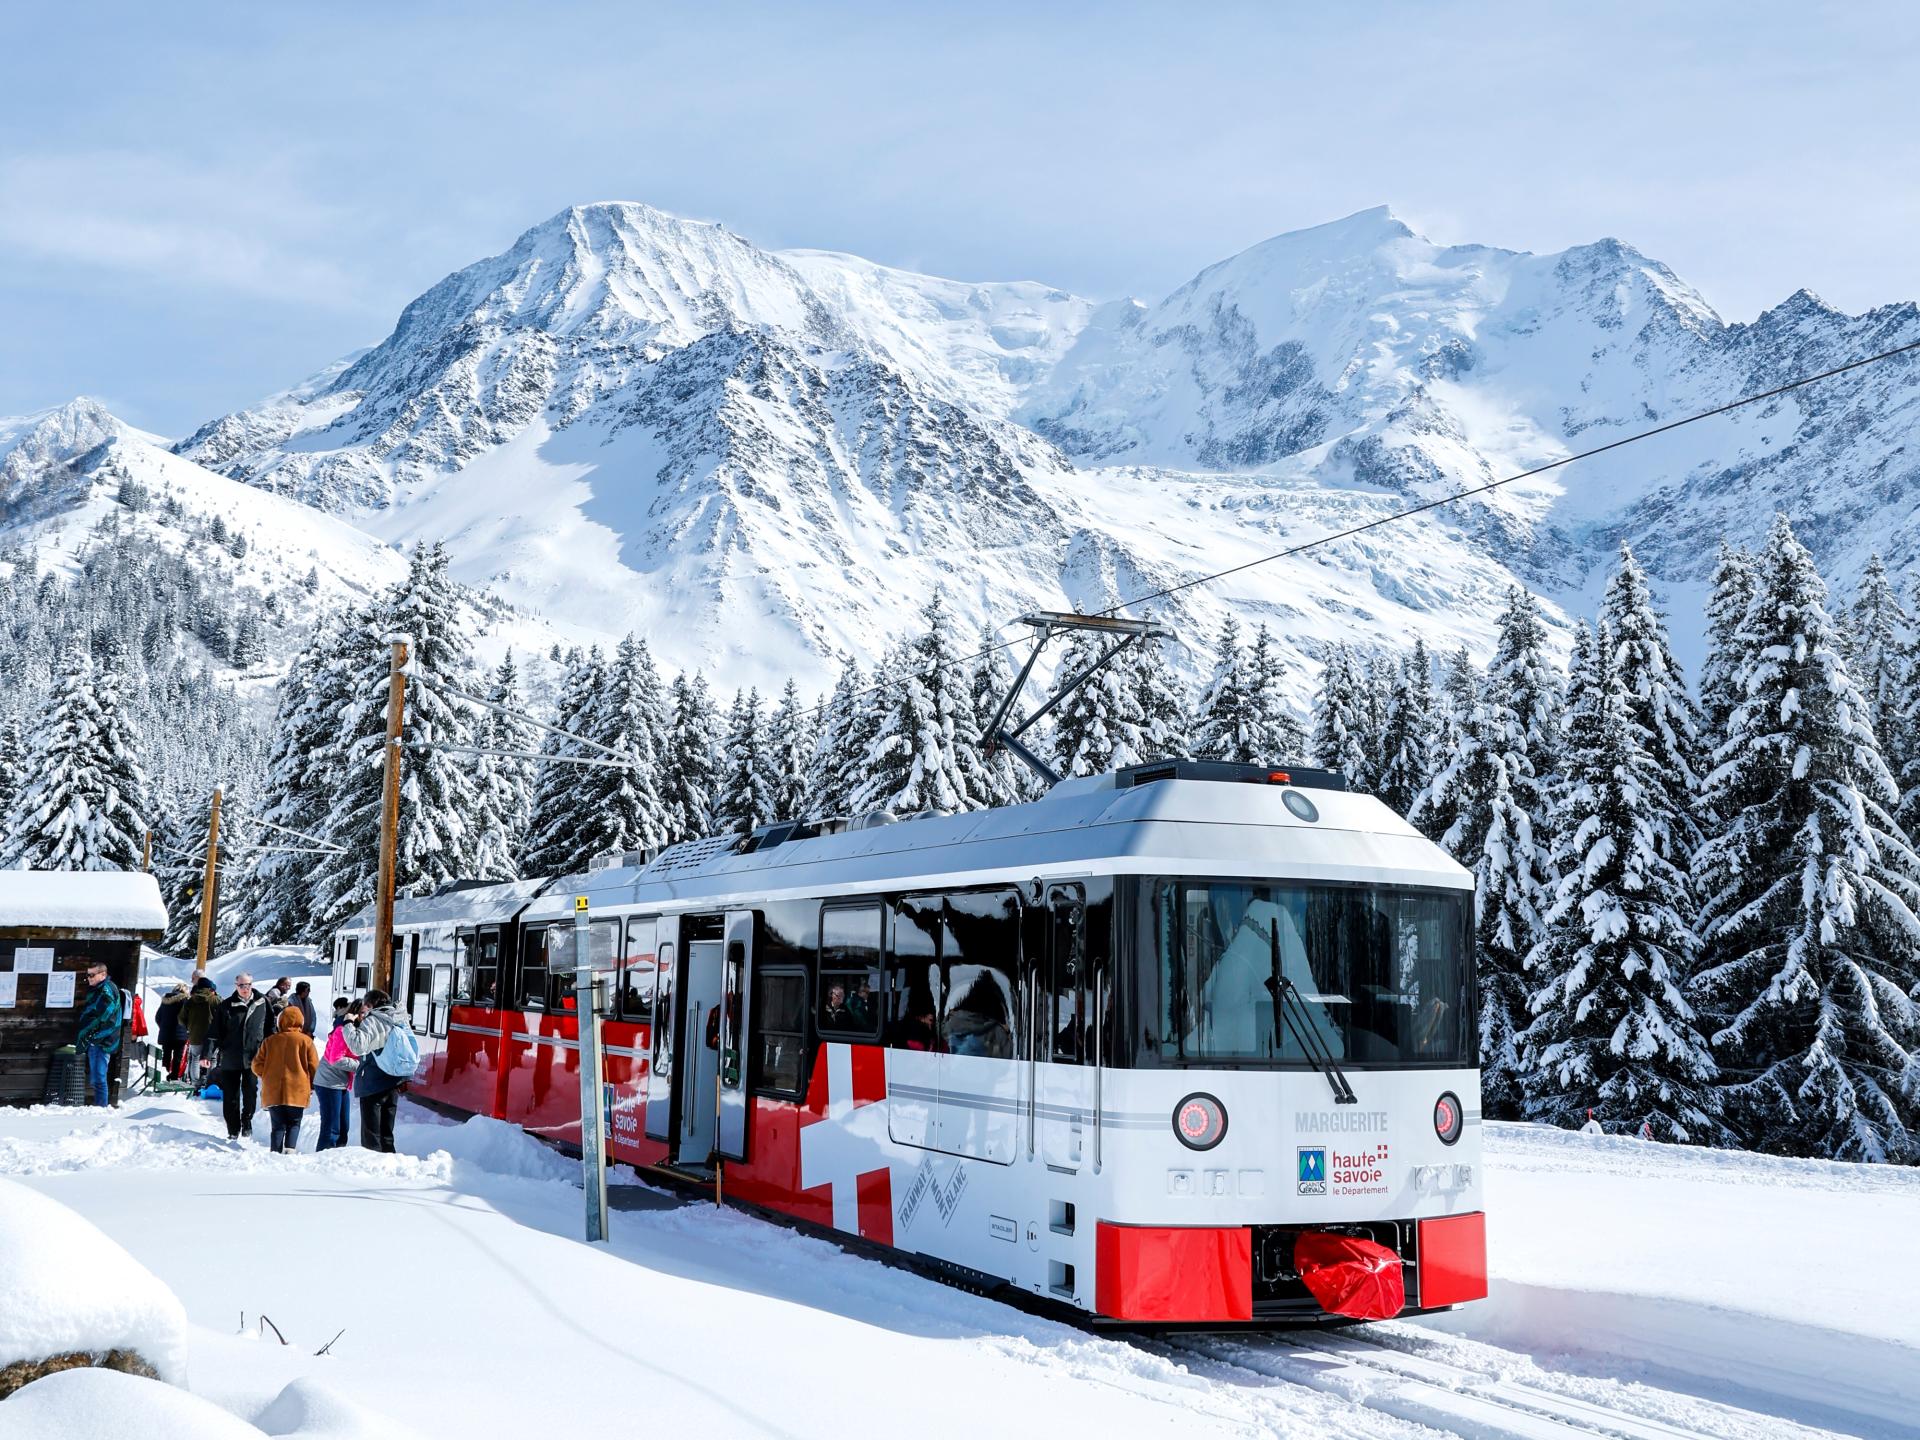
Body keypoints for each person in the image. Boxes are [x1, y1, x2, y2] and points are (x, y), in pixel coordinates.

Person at [341, 989, 409, 1153]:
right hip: (393, 1080)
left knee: (371, 1134)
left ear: (370, 1005)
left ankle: (373, 1172)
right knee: (387, 1133)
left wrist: (348, 1024)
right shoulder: (399, 1019)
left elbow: (358, 1046)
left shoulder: (374, 1020)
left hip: (373, 1081)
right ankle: (389, 1165)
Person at [209, 973, 273, 1140]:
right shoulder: (226, 1006)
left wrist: (269, 1051)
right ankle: (233, 1128)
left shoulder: (262, 1003)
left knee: (250, 1092)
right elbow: (214, 1032)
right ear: (236, 986)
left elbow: (270, 1029)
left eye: (248, 985)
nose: (245, 989)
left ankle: (247, 1120)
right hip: (230, 1056)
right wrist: (207, 1054)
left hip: (253, 1057)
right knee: (230, 1095)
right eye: (241, 986)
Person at [252, 1006, 317, 1153]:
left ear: (280, 1021)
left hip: (274, 1089)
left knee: (277, 1125)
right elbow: (314, 1067)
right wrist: (311, 1085)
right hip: (298, 1089)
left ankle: (275, 1152)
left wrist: (267, 1074)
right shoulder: (306, 1042)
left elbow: (256, 1065)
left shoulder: (269, 1041)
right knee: (294, 1122)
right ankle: (289, 1151)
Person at [313, 998, 359, 1151]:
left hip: (340, 1083)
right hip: (328, 1083)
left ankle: (336, 1158)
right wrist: (361, 1066)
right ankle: (322, 1160)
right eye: (364, 1013)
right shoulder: (341, 1030)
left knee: (343, 1128)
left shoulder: (355, 1032)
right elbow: (335, 1059)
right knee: (332, 1128)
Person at [75, 962, 123, 1107]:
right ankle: (99, 1107)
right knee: (96, 1078)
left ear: (103, 975)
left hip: (102, 1041)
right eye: (87, 975)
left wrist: (95, 1037)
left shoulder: (106, 991)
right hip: (96, 1039)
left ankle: (101, 1109)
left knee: (99, 1078)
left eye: (92, 975)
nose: (89, 978)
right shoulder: (99, 989)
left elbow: (108, 1018)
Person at [182, 976, 219, 1092]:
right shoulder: (215, 1000)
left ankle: (195, 1084)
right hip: (212, 1035)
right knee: (212, 1058)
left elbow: (181, 1018)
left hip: (195, 1034)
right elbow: (224, 1015)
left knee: (195, 1058)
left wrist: (189, 1026)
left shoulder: (191, 1000)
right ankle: (210, 1082)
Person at [154, 984, 189, 1079]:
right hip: (180, 1035)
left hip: (166, 1035)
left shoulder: (165, 1000)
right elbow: (187, 1017)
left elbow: (158, 1017)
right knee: (177, 1058)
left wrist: (164, 1027)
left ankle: (164, 1075)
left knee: (166, 1056)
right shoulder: (185, 1000)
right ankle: (173, 1077)